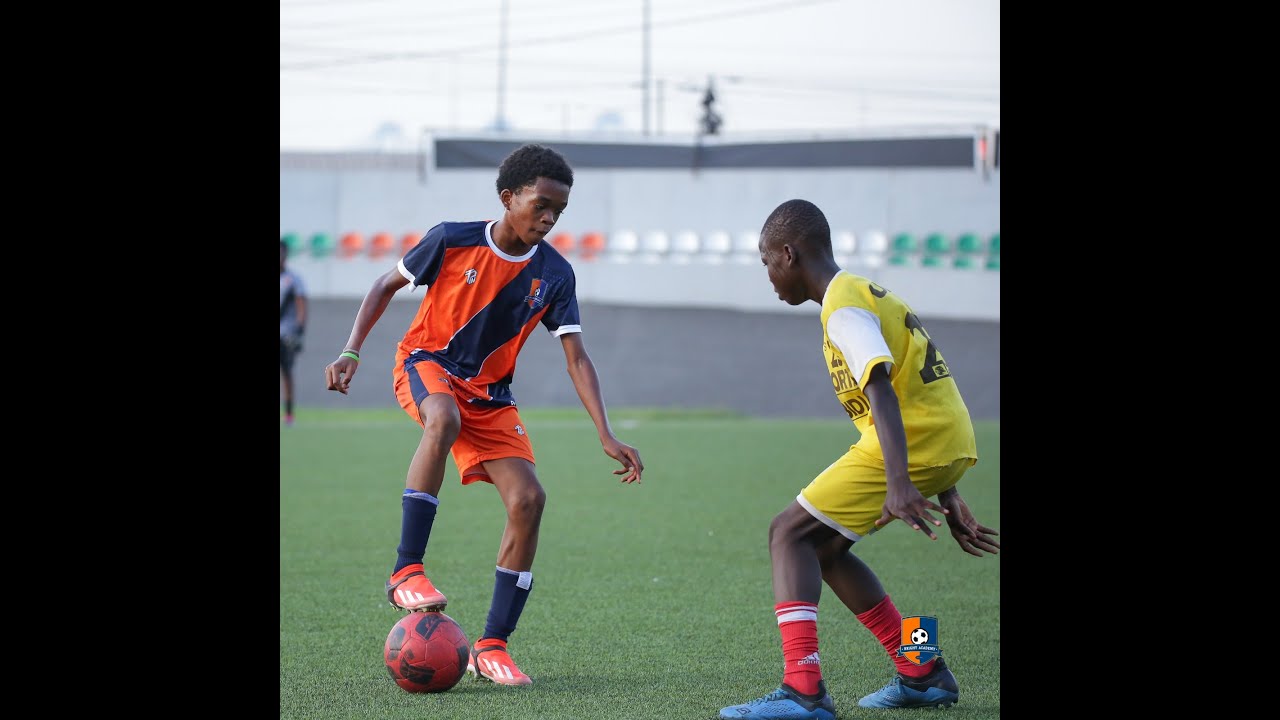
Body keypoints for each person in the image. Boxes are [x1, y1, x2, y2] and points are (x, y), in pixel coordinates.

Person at [324, 143, 644, 687]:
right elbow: (384, 285)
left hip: (492, 397)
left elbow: (576, 355)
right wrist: (352, 350)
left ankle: (491, 646)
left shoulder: (556, 274)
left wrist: (605, 432)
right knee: (441, 420)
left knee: (529, 500)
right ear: (508, 197)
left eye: (558, 212)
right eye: (541, 204)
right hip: (427, 364)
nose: (548, 218)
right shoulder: (452, 238)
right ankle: (406, 571)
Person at [718, 199, 999, 720]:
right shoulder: (862, 292)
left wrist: (900, 483)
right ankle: (923, 669)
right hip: (942, 441)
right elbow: (919, 383)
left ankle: (804, 690)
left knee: (788, 533)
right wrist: (948, 484)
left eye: (766, 263)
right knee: (824, 549)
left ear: (788, 253)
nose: (769, 276)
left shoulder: (842, 303)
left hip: (912, 444)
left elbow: (881, 387)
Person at [280, 238, 308, 427]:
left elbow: (301, 305)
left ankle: (289, 413)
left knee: (287, 372)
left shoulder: (292, 279)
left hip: (285, 334)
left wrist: (299, 331)